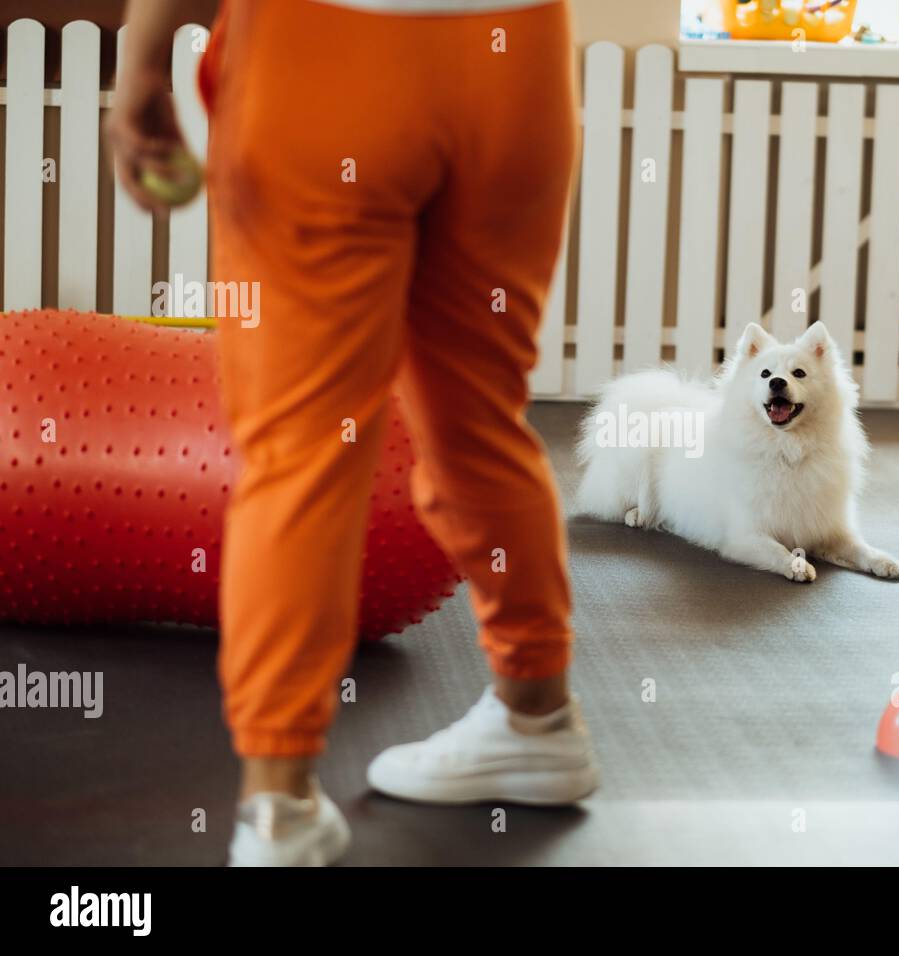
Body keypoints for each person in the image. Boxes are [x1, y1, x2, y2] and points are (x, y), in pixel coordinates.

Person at [109, 0, 595, 867]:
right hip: (515, 56)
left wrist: (144, 60)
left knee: (302, 454)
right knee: (481, 419)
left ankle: (278, 809)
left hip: (324, 47)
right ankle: (538, 716)